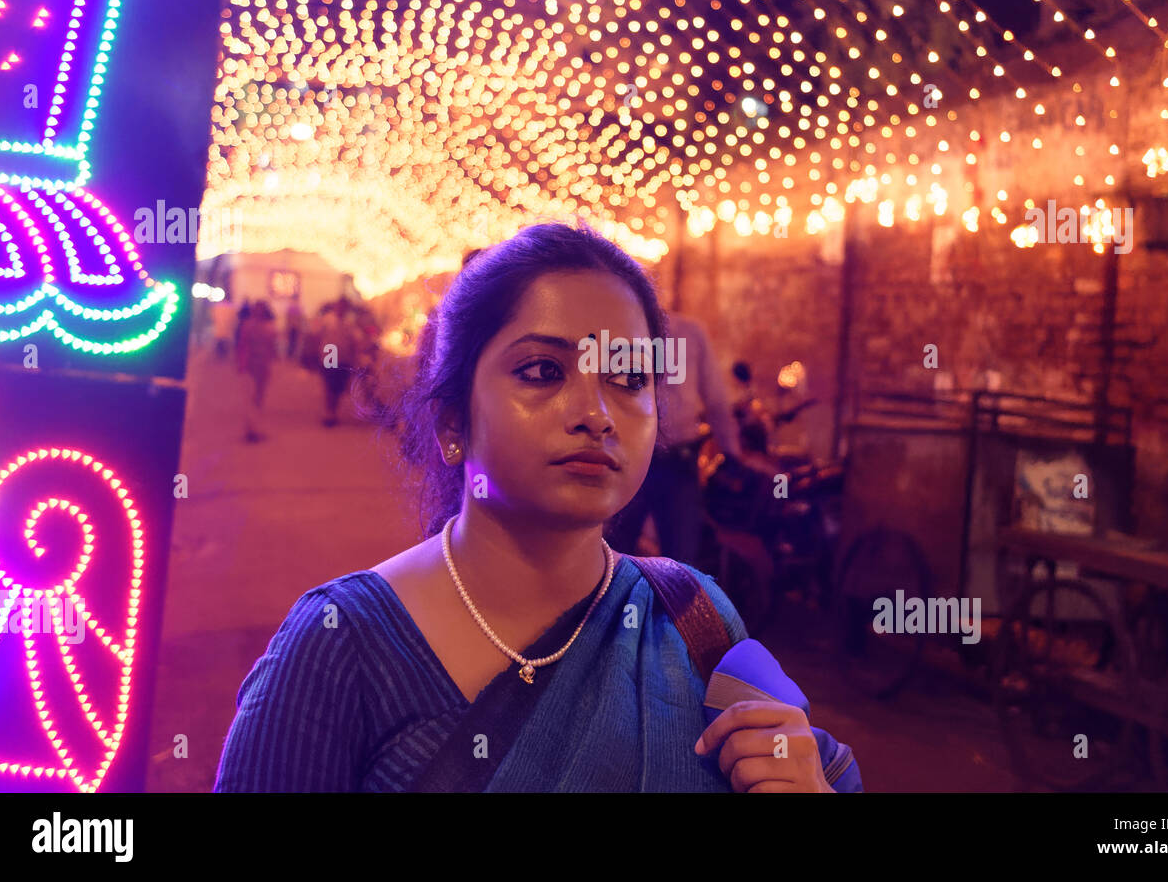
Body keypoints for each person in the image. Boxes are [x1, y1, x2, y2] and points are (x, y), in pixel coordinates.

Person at [213, 221, 858, 792]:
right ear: (450, 423)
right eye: (544, 371)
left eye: (630, 379)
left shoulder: (692, 619)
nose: (597, 415)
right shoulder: (338, 650)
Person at [606, 311, 741, 564]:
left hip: (644, 456)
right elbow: (716, 400)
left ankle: (615, 601)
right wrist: (731, 453)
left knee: (616, 555)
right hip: (666, 458)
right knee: (678, 559)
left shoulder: (621, 329)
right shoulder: (687, 331)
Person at [313, 299, 362, 427]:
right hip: (330, 354)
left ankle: (333, 410)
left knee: (338, 386)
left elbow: (355, 341)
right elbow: (316, 335)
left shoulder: (349, 323)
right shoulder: (327, 320)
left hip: (344, 357)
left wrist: (355, 357)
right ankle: (329, 412)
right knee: (329, 383)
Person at [236, 300, 278, 443]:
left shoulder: (269, 327)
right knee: (250, 398)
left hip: (262, 365)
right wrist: (241, 364)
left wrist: (269, 365)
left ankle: (254, 428)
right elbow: (242, 345)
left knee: (258, 398)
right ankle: (251, 429)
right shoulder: (248, 325)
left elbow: (271, 348)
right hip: (250, 364)